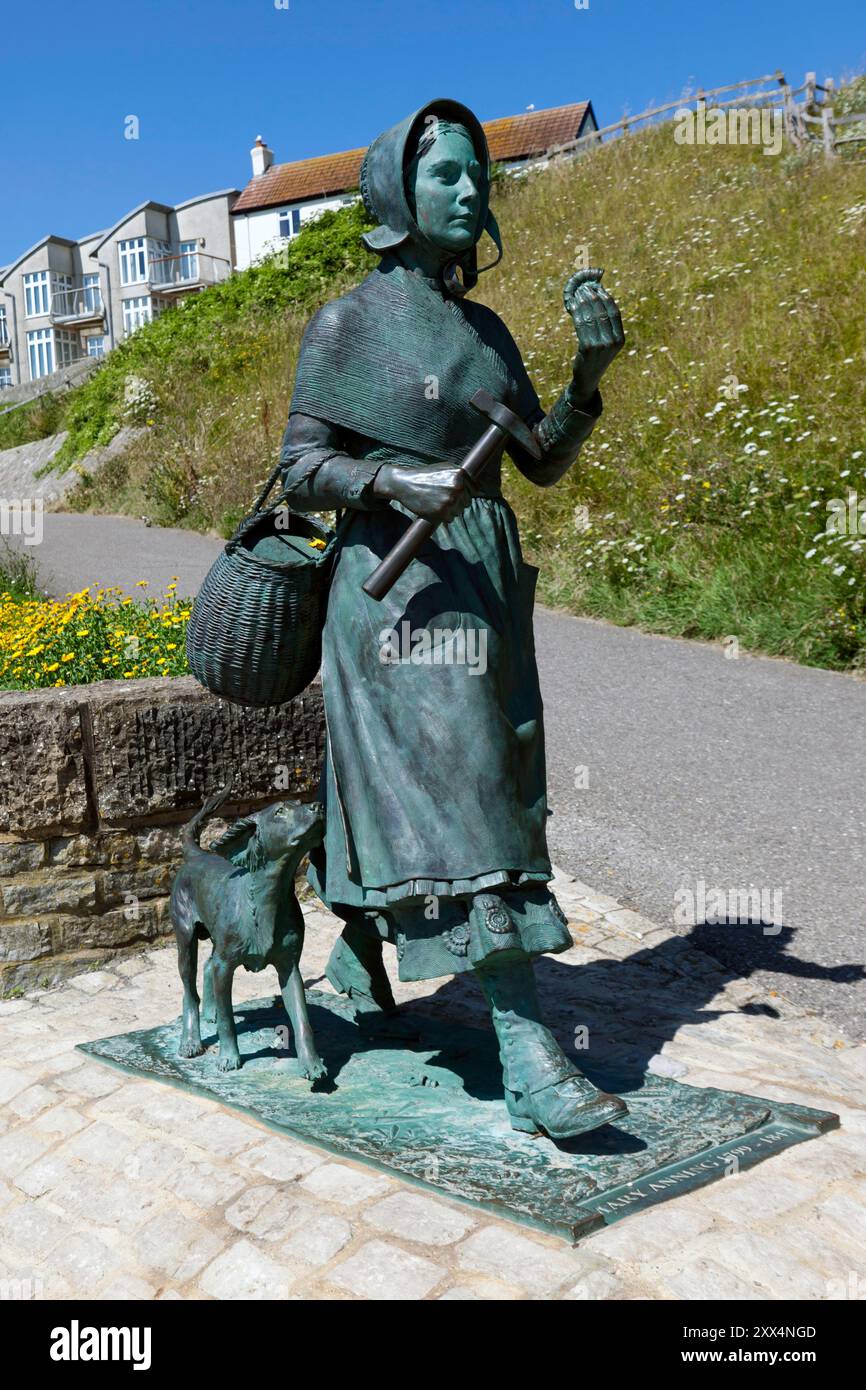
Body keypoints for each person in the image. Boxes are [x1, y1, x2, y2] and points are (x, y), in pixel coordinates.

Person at [279, 99, 626, 1139]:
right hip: (391, 594)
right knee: (473, 789)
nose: (471, 190)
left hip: (479, 582)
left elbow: (540, 464)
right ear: (396, 191)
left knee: (495, 777)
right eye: (446, 175)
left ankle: (357, 944)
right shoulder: (346, 324)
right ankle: (526, 1049)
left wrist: (583, 379)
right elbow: (298, 471)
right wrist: (395, 481)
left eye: (478, 174)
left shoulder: (483, 334)